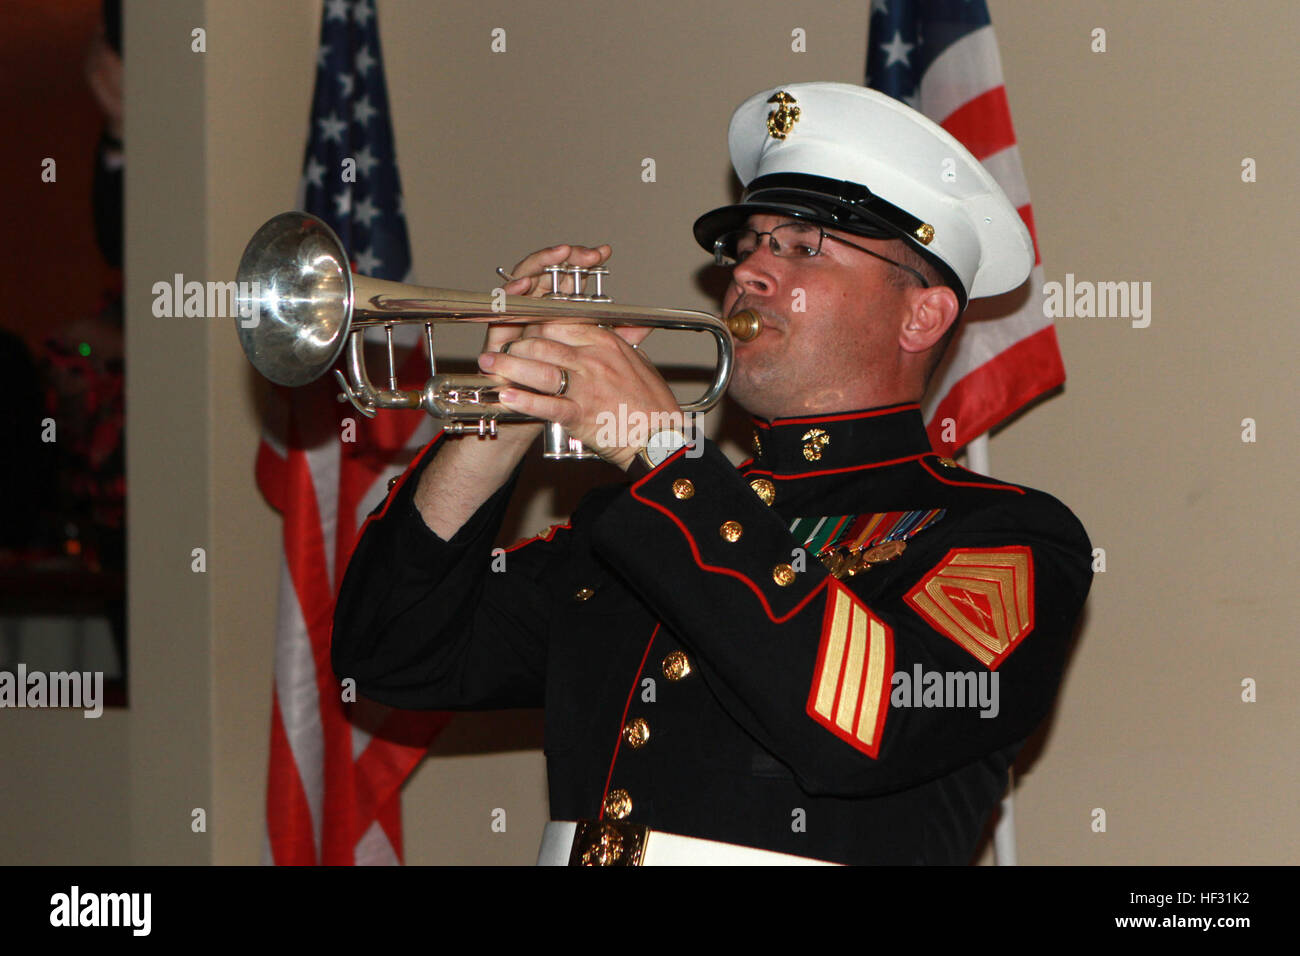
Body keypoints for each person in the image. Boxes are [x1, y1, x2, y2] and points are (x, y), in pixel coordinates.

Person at [331, 82, 1092, 865]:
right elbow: (391, 651)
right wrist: (507, 408)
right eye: (747, 246)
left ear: (921, 315)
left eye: (801, 246)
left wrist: (664, 452)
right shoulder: (640, 520)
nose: (750, 272)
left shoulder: (1005, 537)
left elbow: (867, 727)